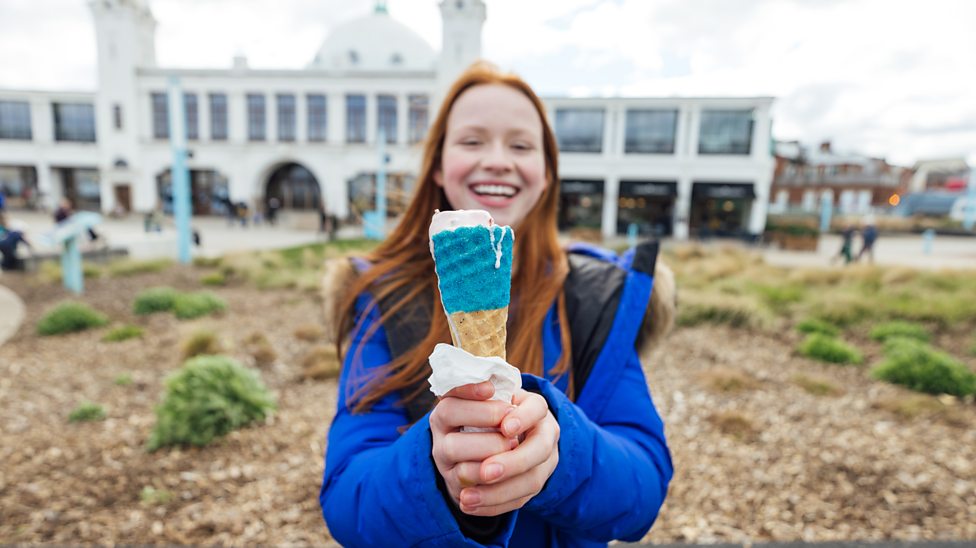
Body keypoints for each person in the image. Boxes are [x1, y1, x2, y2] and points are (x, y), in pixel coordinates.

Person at [318, 62, 676, 547]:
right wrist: (435, 470)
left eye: (521, 146)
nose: (498, 160)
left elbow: (644, 486)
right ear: (439, 165)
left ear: (547, 174)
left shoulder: (594, 301)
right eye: (472, 141)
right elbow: (346, 500)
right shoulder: (383, 298)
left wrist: (559, 454)